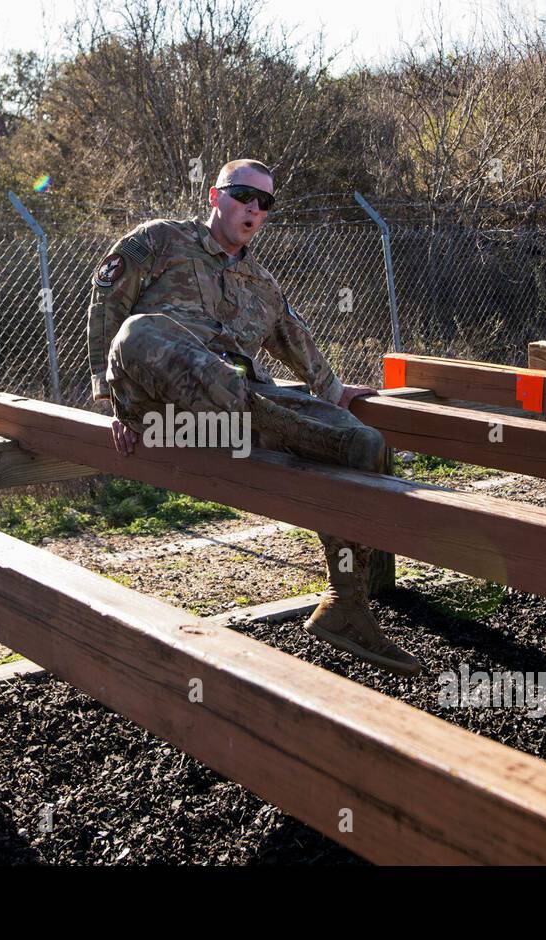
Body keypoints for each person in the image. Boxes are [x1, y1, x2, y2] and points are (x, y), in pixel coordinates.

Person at [86, 158, 420, 675]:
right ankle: (272, 421)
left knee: (361, 443)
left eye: (265, 203)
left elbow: (293, 336)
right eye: (245, 195)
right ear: (217, 196)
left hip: (236, 401)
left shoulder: (261, 282)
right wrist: (111, 399)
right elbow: (107, 301)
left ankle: (346, 604)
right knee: (141, 330)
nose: (254, 209)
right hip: (155, 396)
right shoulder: (159, 241)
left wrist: (331, 389)